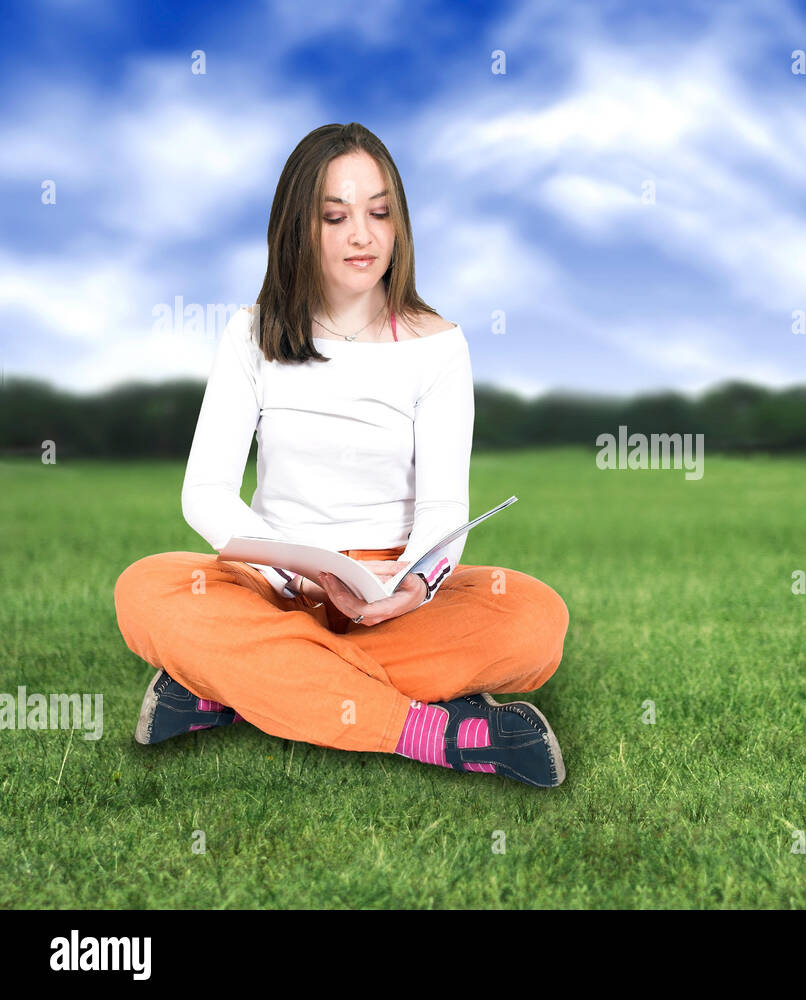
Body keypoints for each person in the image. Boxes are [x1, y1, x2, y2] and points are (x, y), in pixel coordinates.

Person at [113, 123, 569, 788]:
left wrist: (416, 585)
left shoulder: (440, 347)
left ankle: (233, 688)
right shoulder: (250, 333)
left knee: (533, 619)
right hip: (274, 586)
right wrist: (289, 574)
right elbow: (206, 493)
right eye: (336, 216)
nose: (364, 235)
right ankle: (437, 732)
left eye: (380, 212)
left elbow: (443, 505)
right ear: (301, 227)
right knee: (147, 590)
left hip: (389, 603)